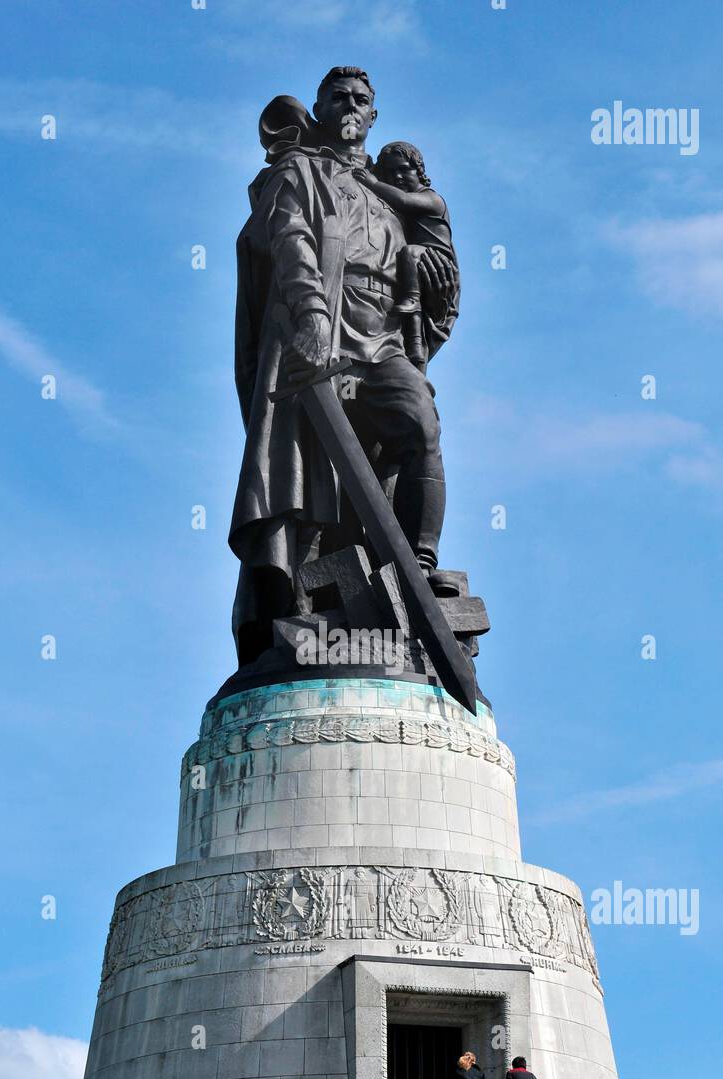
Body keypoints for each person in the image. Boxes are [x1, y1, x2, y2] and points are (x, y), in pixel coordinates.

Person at [231, 66, 460, 664]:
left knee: (420, 425)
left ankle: (417, 565)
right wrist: (309, 315)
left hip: (382, 337)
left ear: (374, 115)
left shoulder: (387, 191)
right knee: (305, 483)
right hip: (324, 338)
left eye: (362, 100)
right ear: (321, 107)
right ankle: (303, 604)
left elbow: (435, 261)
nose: (351, 106)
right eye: (339, 98)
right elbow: (289, 241)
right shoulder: (298, 170)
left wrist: (424, 266)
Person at [352, 141, 456, 370]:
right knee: (413, 314)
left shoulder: (432, 198)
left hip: (433, 255)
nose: (397, 176)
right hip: (418, 264)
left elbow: (402, 200)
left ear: (419, 170)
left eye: (403, 169)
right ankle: (415, 346)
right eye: (390, 172)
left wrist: (373, 183)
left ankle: (411, 297)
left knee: (408, 253)